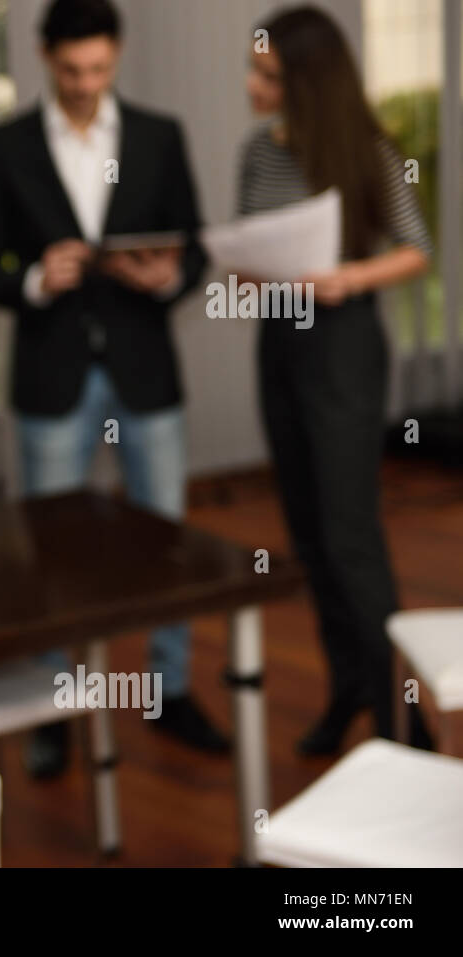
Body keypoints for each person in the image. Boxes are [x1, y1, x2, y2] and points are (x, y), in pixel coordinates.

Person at [0, 0, 223, 779]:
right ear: (45, 57)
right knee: (52, 547)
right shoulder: (3, 145)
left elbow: (196, 249)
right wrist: (35, 278)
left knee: (167, 538)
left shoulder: (158, 135)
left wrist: (171, 276)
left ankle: (170, 688)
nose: (85, 84)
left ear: (118, 57)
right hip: (52, 373)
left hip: (145, 368)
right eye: (72, 71)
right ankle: (53, 707)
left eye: (100, 69)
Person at [238, 6, 433, 755]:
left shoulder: (366, 151)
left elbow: (416, 250)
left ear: (306, 83)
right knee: (308, 532)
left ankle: (400, 716)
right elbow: (246, 251)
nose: (252, 85)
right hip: (279, 345)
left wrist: (347, 277)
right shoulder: (259, 152)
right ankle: (348, 684)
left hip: (345, 347)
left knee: (351, 535)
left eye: (267, 74)